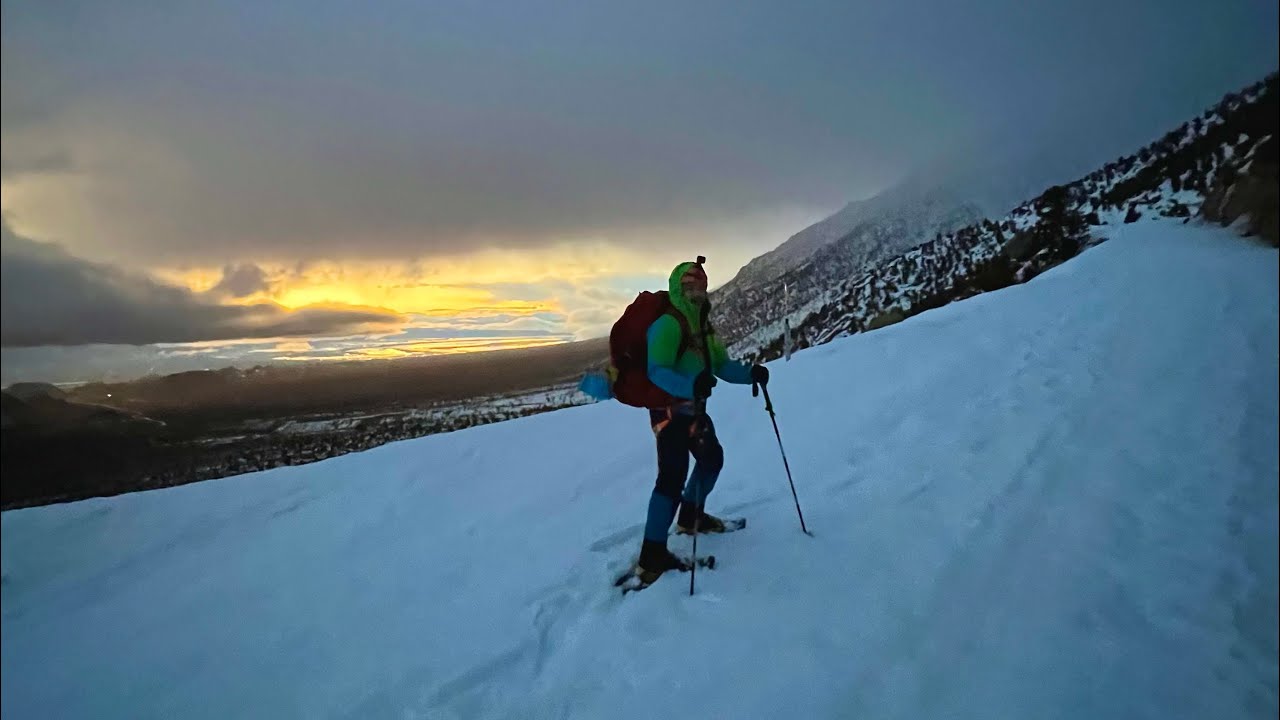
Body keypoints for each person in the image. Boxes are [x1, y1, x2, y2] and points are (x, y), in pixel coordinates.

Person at [632, 260, 769, 585]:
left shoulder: (703, 325)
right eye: (691, 286)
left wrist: (750, 374)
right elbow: (657, 370)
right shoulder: (668, 324)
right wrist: (690, 386)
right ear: (679, 288)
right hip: (668, 414)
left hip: (694, 410)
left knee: (711, 460)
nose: (698, 292)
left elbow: (719, 363)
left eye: (702, 286)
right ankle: (651, 557)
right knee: (671, 479)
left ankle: (691, 518)